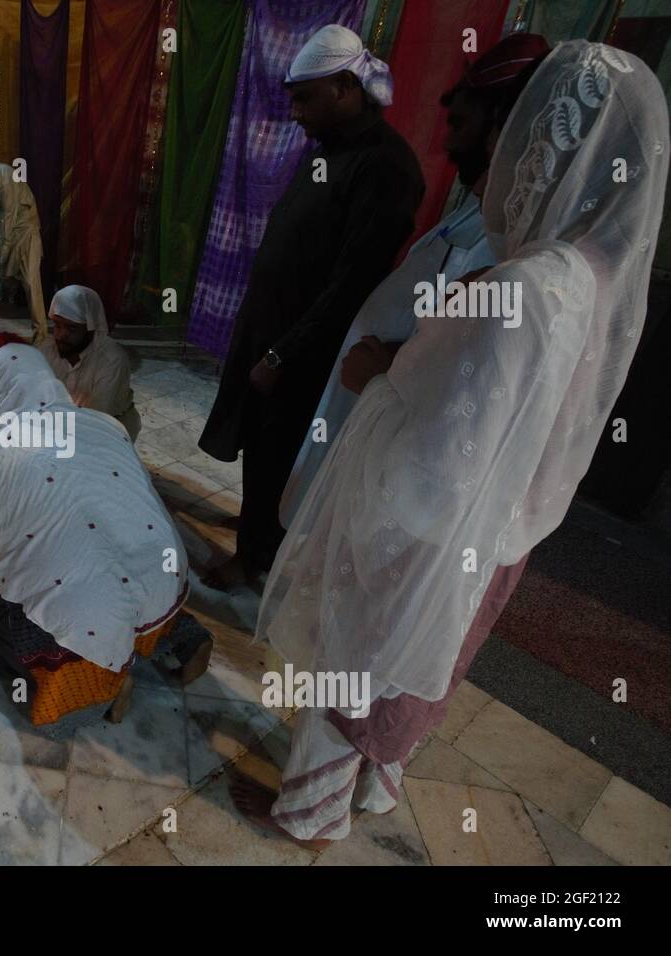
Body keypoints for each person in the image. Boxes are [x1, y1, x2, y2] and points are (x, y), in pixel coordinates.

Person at [230, 40, 668, 845]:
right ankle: (374, 789)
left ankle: (310, 814)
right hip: (496, 524)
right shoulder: (582, 275)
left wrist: (376, 371)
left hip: (433, 514)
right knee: (423, 661)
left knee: (360, 654)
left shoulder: (528, 286)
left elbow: (443, 424)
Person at [281, 33, 551, 521]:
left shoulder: (516, 260)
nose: (447, 141)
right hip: (367, 402)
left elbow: (469, 386)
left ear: (505, 133)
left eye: (461, 124)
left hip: (402, 450)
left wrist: (385, 372)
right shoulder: (480, 212)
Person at [197, 25, 424, 593]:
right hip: (271, 326)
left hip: (306, 346)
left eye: (305, 97)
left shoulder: (385, 167)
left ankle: (255, 558)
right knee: (257, 439)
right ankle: (256, 524)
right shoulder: (329, 151)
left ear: (346, 86)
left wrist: (282, 352)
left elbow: (352, 281)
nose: (294, 113)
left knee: (279, 446)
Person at [0, 344, 195, 726]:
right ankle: (186, 638)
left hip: (92, 605)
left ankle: (111, 681)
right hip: (166, 567)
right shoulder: (104, 424)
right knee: (123, 582)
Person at [39, 285, 140, 440]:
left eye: (71, 329)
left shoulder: (112, 361)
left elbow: (95, 419)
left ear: (91, 328)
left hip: (111, 428)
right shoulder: (46, 349)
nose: (61, 335)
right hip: (61, 425)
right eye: (57, 326)